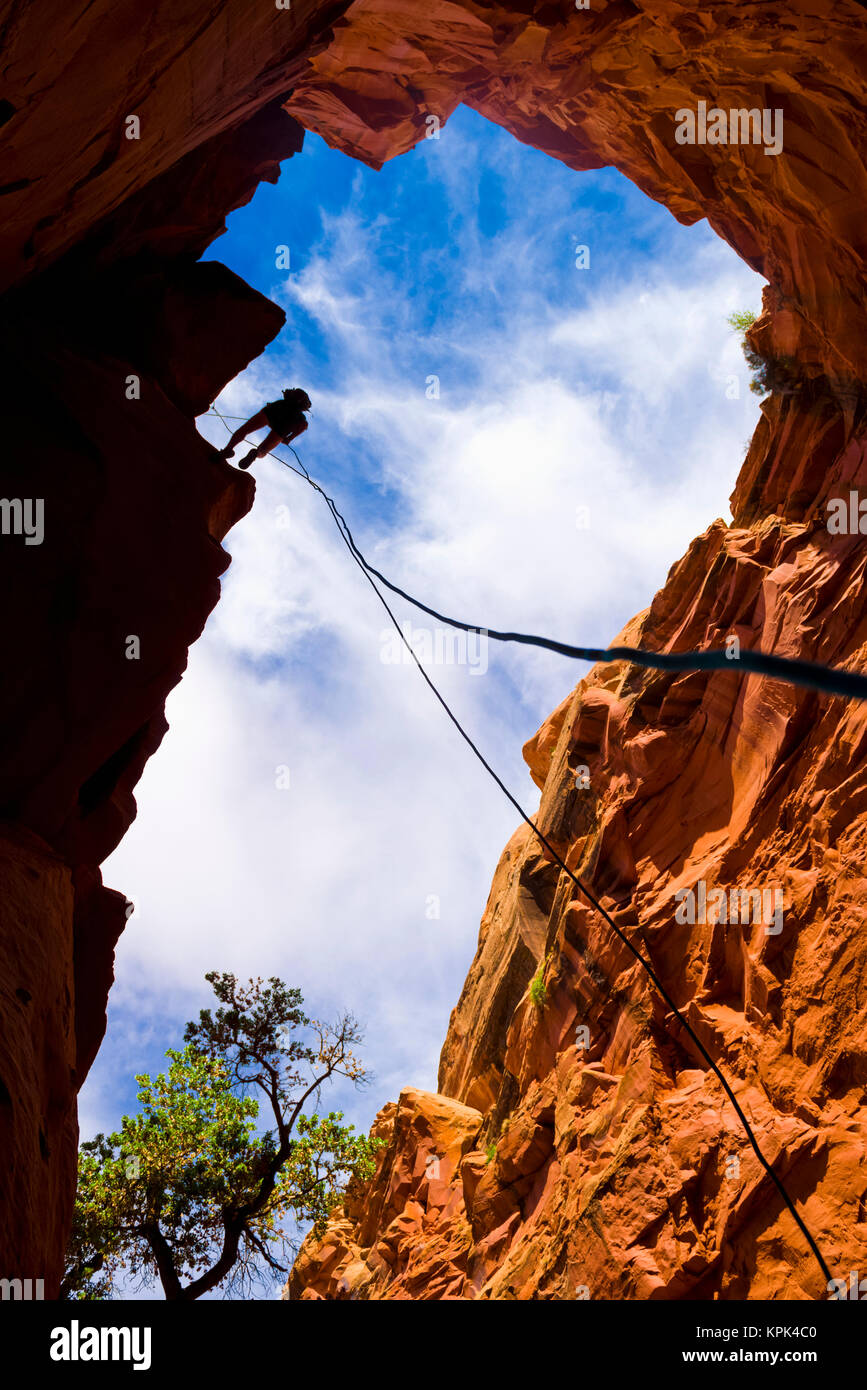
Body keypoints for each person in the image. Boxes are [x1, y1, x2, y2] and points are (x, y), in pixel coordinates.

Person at [218, 388, 312, 469]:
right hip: (289, 423)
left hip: (276, 409)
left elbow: (288, 394)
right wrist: (289, 438)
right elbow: (304, 425)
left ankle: (228, 449)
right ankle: (256, 453)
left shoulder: (283, 402)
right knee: (263, 450)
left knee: (245, 429)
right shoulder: (301, 417)